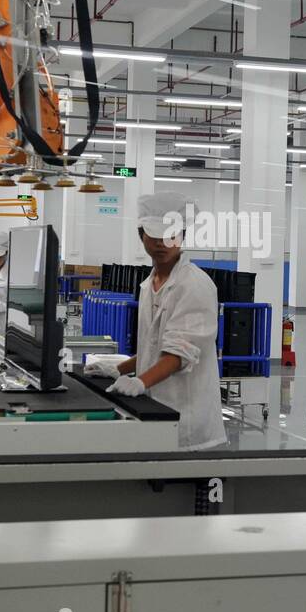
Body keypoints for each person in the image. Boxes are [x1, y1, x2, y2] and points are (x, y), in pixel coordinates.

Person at [90, 193, 225, 451]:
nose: (162, 243)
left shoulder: (194, 285)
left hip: (187, 420)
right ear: (141, 236)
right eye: (154, 235)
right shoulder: (148, 285)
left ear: (182, 236)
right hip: (155, 411)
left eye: (171, 236)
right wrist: (118, 369)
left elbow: (178, 354)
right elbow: (155, 349)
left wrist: (140, 381)